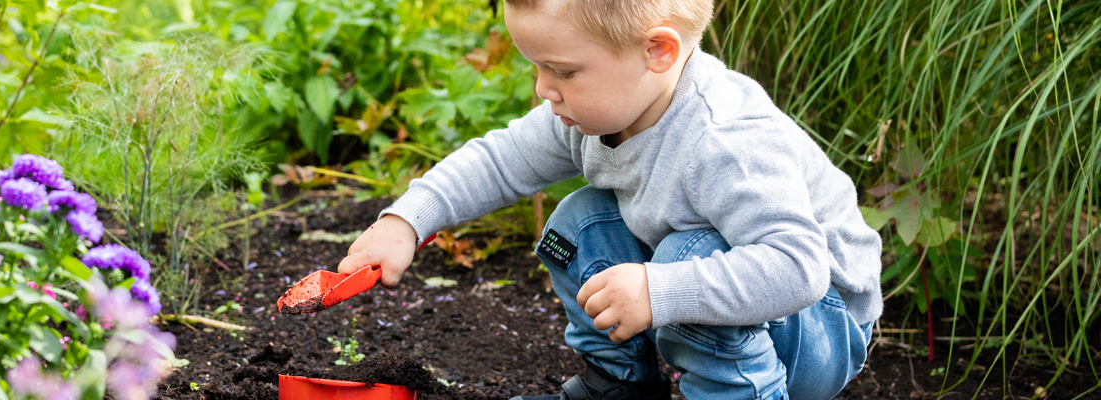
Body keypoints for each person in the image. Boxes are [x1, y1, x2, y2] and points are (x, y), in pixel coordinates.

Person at [336, 0, 882, 398]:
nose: (543, 89)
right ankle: (618, 385)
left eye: (563, 70)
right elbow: (500, 161)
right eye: (538, 66)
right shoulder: (594, 112)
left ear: (657, 51)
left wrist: (659, 289)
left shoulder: (726, 139)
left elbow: (797, 268)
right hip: (740, 304)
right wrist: (406, 221)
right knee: (578, 224)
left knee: (686, 258)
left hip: (816, 330)